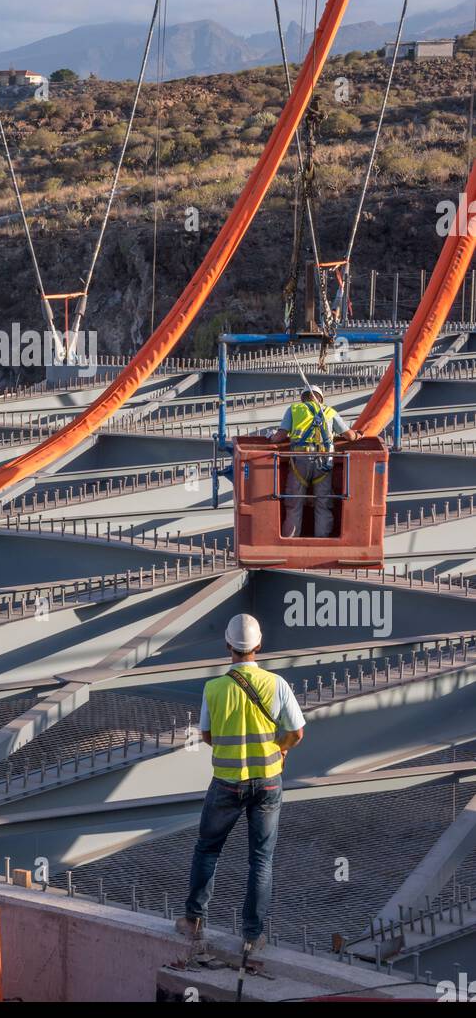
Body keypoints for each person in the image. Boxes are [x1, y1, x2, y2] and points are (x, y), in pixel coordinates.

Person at [177, 614, 305, 954]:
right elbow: (297, 732)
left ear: (228, 646)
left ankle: (194, 922)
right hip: (267, 782)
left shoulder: (214, 688)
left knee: (207, 850)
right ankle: (252, 936)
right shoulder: (277, 684)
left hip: (227, 784)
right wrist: (281, 748)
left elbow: (206, 734)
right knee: (261, 860)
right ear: (259, 646)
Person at [270, 385, 360, 537]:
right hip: (324, 463)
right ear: (320, 398)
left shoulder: (294, 409)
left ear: (303, 397)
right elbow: (350, 436)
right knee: (323, 504)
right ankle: (322, 539)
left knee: (294, 503)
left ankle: (290, 540)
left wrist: (271, 437)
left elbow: (279, 437)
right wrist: (360, 435)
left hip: (300, 462)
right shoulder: (330, 412)